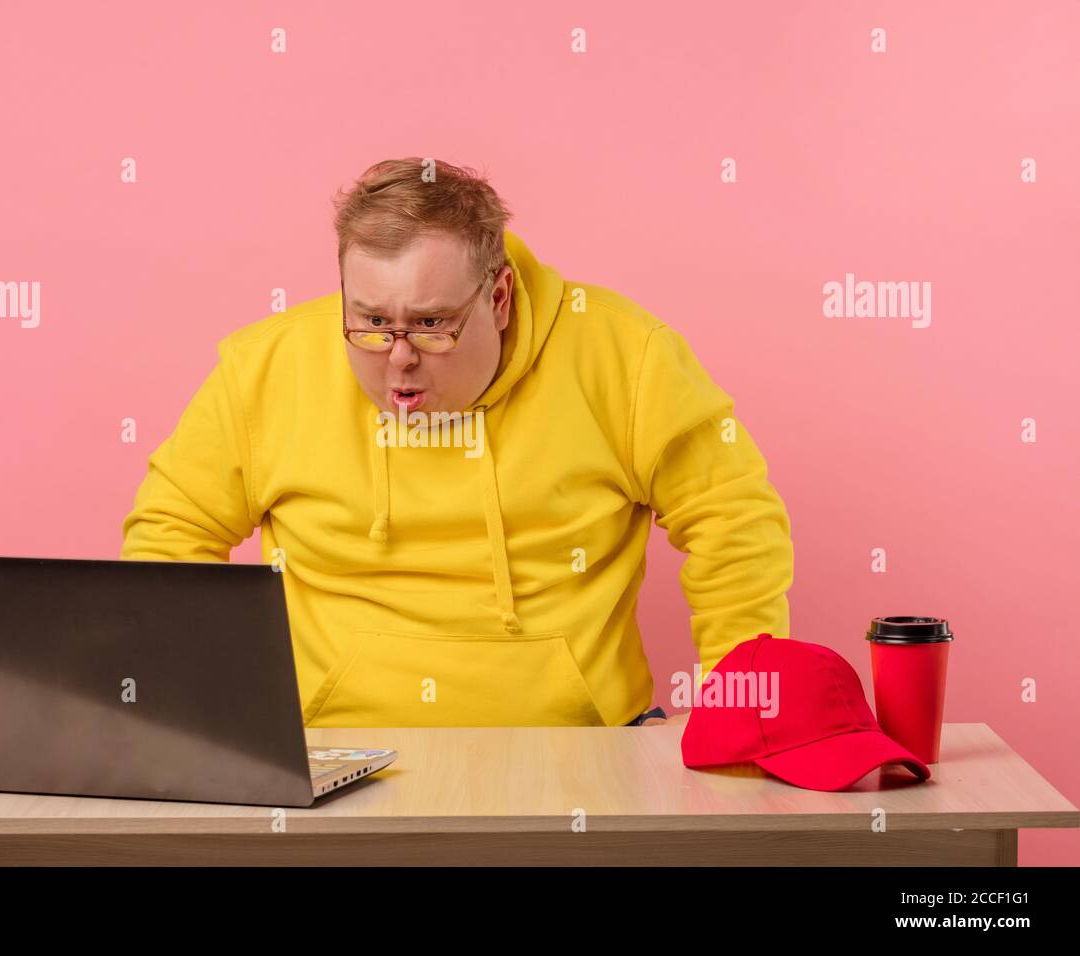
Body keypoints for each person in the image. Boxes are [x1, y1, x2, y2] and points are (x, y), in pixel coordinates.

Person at [120, 157, 793, 728]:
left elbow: (734, 522)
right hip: (327, 757)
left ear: (498, 298)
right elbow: (170, 532)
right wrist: (204, 715)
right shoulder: (263, 370)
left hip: (587, 751)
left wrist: (740, 721)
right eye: (372, 321)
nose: (399, 358)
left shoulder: (627, 358)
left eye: (432, 323)